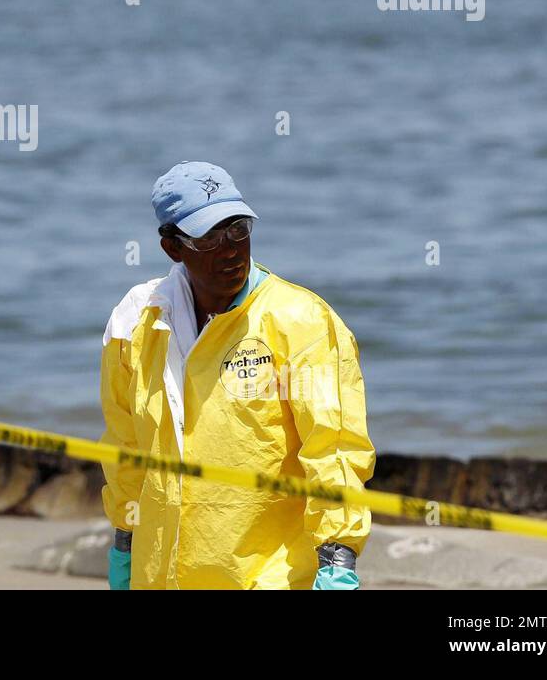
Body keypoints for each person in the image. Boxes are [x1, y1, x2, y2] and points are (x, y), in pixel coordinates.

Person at [99, 161, 375, 590]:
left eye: (237, 229)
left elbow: (334, 449)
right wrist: (123, 542)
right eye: (208, 236)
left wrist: (338, 558)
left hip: (266, 579)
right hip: (160, 577)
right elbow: (125, 446)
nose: (229, 249)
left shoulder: (300, 321)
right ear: (173, 246)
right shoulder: (136, 321)